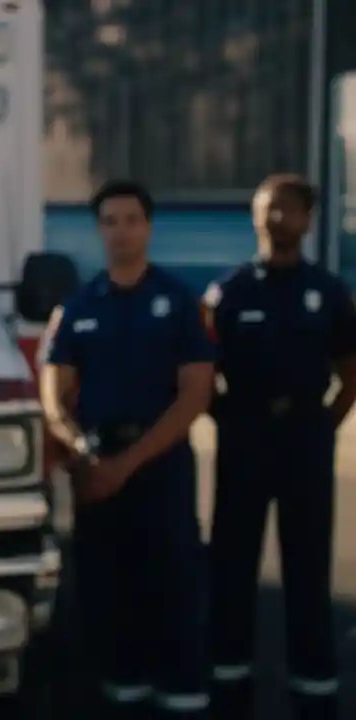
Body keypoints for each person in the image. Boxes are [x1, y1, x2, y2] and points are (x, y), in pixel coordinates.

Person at [39, 180, 215, 719]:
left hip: (162, 465)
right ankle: (122, 695)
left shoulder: (178, 301)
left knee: (172, 584)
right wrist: (83, 451)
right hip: (97, 469)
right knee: (107, 591)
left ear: (148, 227)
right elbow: (53, 396)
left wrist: (129, 462)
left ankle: (181, 696)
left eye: (131, 220)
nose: (121, 231)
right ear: (99, 230)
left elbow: (196, 394)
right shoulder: (78, 308)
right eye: (110, 221)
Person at [202, 174, 356, 720]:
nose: (276, 219)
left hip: (304, 443)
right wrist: (227, 417)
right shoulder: (228, 293)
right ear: (253, 216)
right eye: (267, 208)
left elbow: (351, 372)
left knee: (308, 571)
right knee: (231, 568)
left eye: (287, 209)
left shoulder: (329, 292)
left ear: (308, 219)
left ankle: (314, 691)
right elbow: (199, 372)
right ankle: (229, 688)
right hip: (243, 439)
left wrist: (323, 426)